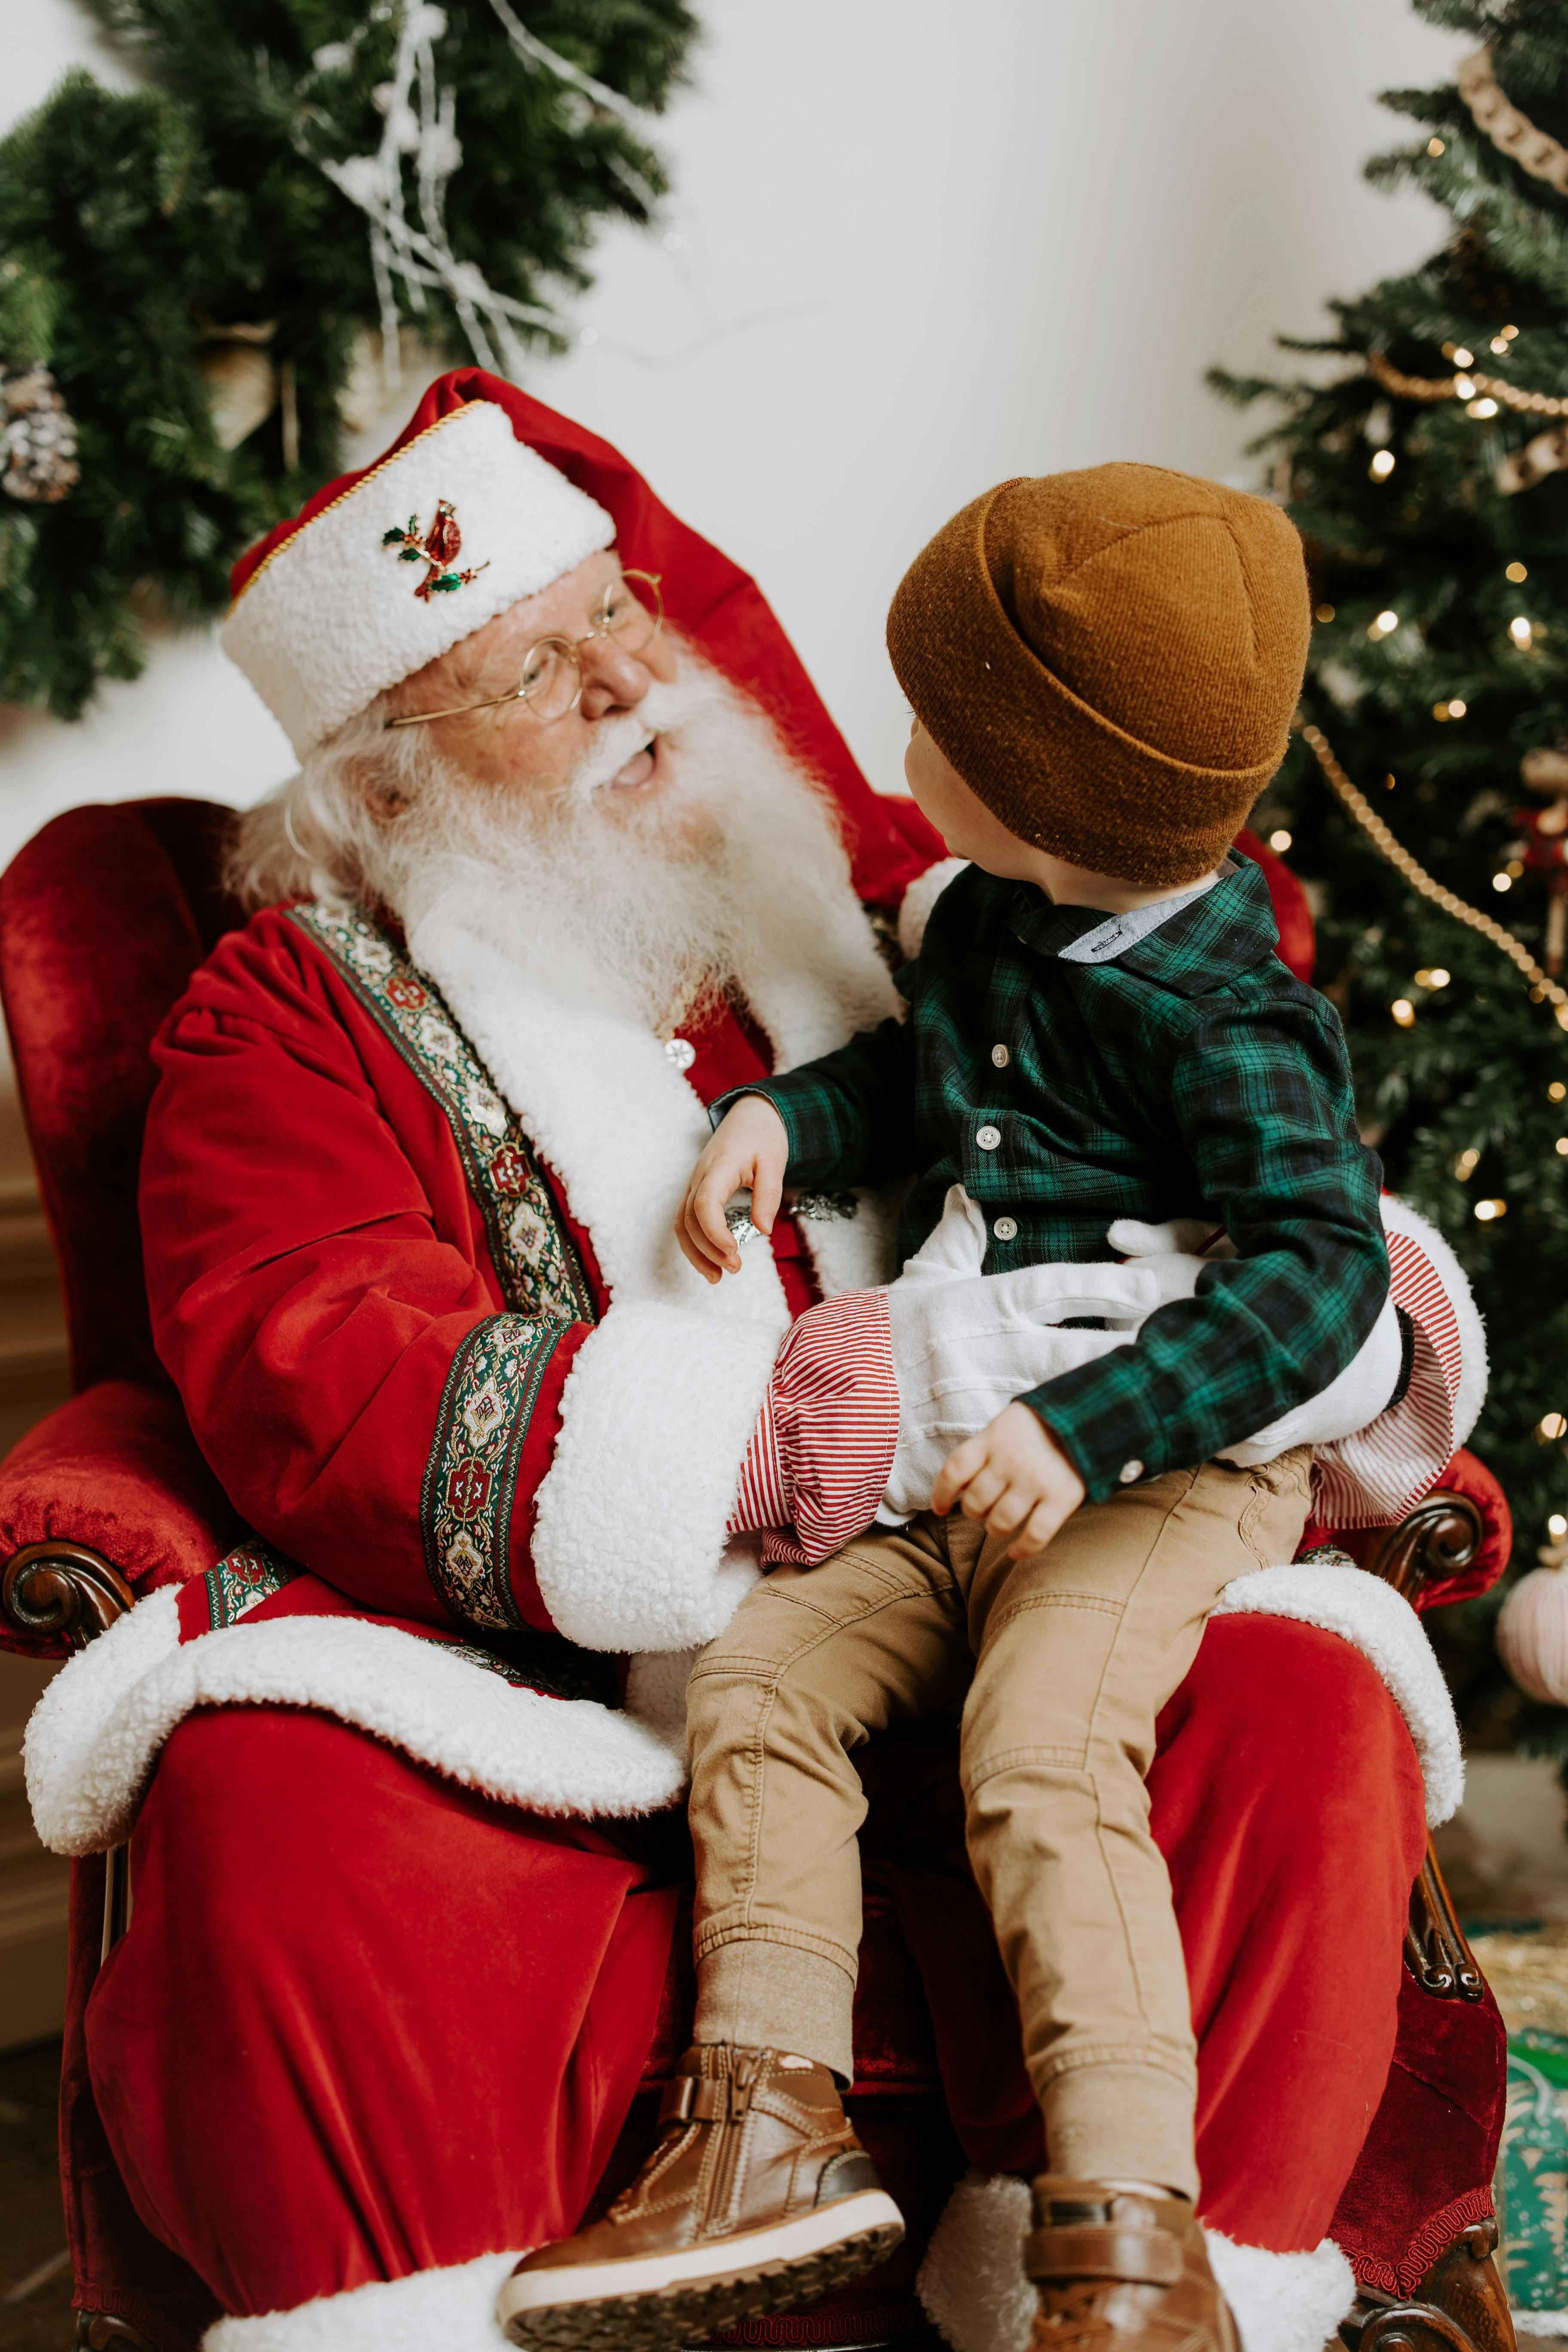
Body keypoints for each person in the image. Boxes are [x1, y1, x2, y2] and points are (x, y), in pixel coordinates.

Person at [20, 380, 1479, 2352]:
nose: (634, 674)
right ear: (381, 786)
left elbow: (1214, 1166)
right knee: (271, 1796)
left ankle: (1145, 2281)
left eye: (619, 605)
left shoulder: (856, 885)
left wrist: (1200, 1341)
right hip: (607, 1644)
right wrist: (793, 1434)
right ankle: (688, 2176)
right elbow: (317, 1366)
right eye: (537, 667)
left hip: (1049, 1512)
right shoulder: (284, 1018)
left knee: (1296, 1700)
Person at [497, 467, 1400, 2352]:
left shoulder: (1230, 1013)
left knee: (1042, 1752)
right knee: (760, 1682)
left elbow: (1325, 1280)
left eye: (940, 722)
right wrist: (783, 1119)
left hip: (1163, 1465)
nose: (898, 744)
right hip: (976, 1458)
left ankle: (1134, 2245)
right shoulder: (989, 913)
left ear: (1054, 781)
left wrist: (1093, 1429)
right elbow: (925, 1085)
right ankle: (769, 2122)